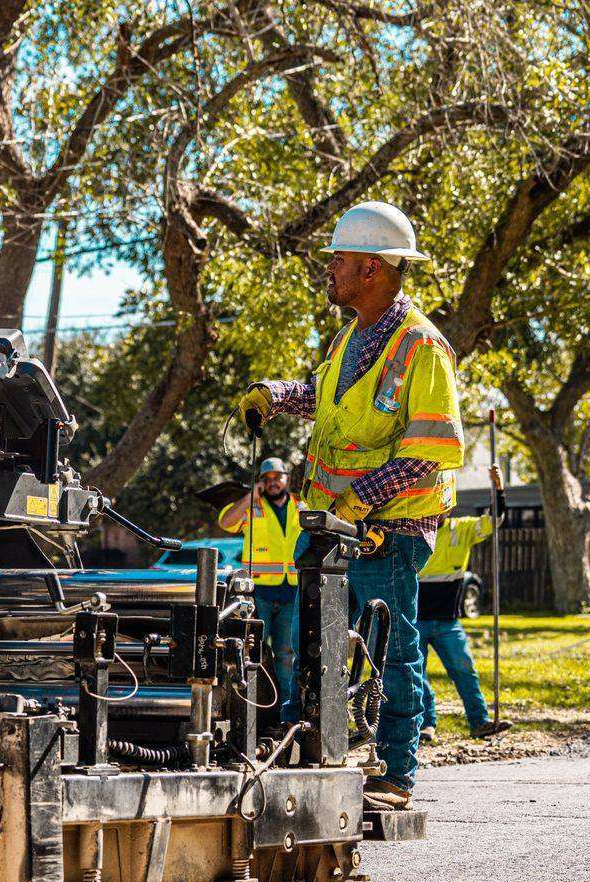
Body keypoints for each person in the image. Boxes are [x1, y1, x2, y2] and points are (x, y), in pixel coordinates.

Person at [238, 201, 464, 811]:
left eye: (338, 260)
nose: (329, 270)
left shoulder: (422, 345)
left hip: (388, 529)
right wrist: (275, 395)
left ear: (371, 267)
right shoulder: (350, 337)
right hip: (336, 525)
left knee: (395, 648)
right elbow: (326, 398)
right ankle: (311, 753)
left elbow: (431, 453)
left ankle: (396, 774)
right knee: (316, 646)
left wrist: (358, 502)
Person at [417, 464, 512, 742]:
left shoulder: (463, 529)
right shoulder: (415, 534)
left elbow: (494, 521)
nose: (439, 510)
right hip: (415, 619)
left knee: (464, 670)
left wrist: (498, 488)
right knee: (416, 674)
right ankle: (426, 725)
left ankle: (479, 722)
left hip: (448, 621)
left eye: (444, 504)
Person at [217, 457, 302, 694]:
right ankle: (251, 703)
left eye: (277, 477)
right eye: (267, 478)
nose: (273, 482)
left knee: (287, 654)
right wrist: (250, 497)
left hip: (291, 592)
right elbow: (226, 522)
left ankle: (285, 708)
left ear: (287, 479)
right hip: (258, 594)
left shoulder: (300, 506)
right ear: (261, 482)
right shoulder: (252, 507)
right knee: (252, 650)